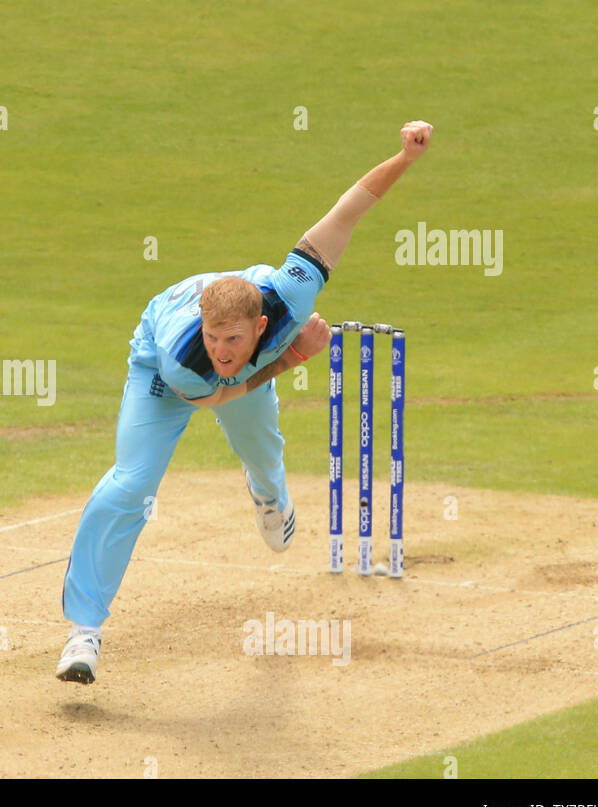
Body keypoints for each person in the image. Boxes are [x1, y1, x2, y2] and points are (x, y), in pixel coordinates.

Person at [56, 121, 434, 683]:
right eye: (214, 337)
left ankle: (268, 492)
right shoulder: (187, 357)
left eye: (233, 339)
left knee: (260, 447)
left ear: (260, 324)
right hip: (163, 377)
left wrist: (404, 157)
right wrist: (293, 359)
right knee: (132, 483)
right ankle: (83, 632)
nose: (221, 348)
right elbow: (219, 395)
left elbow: (348, 210)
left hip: (264, 355)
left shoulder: (292, 290)